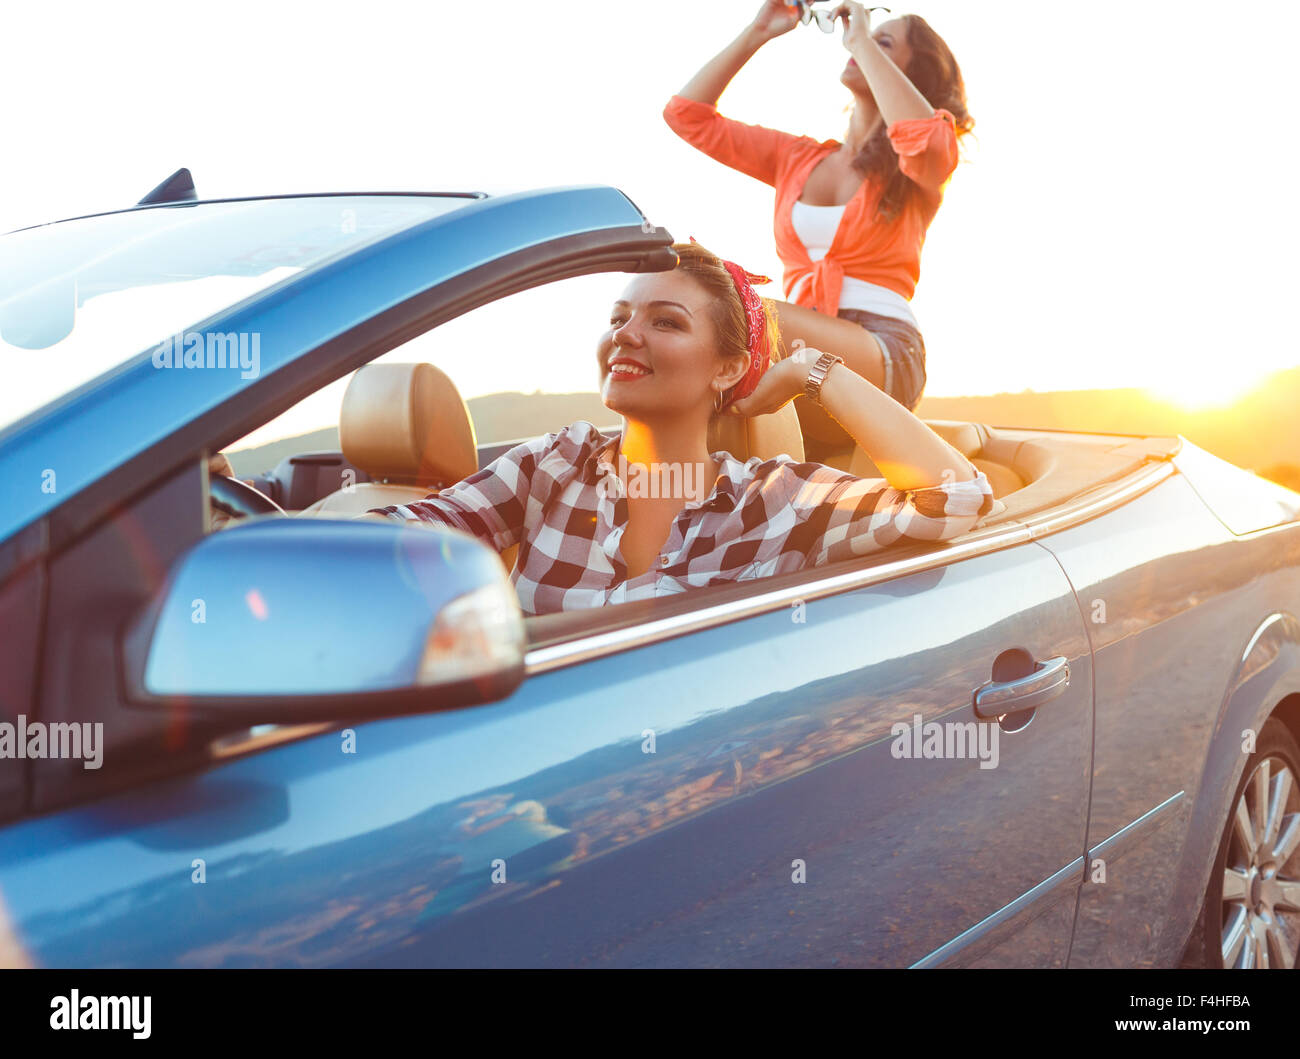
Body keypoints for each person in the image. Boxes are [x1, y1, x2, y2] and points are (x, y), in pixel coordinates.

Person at [365, 242, 993, 618]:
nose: (625, 334)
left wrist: (813, 370)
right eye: (618, 317)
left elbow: (951, 499)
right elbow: (400, 537)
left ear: (729, 368)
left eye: (665, 322)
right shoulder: (552, 465)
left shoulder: (772, 501)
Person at [663, 0, 972, 459]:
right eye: (865, 36)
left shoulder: (922, 162)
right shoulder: (797, 158)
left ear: (913, 75)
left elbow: (922, 137)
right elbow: (687, 115)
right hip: (795, 346)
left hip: (883, 354)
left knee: (728, 312)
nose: (860, 41)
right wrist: (760, 30)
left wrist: (861, 38)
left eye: (884, 40)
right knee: (685, 347)